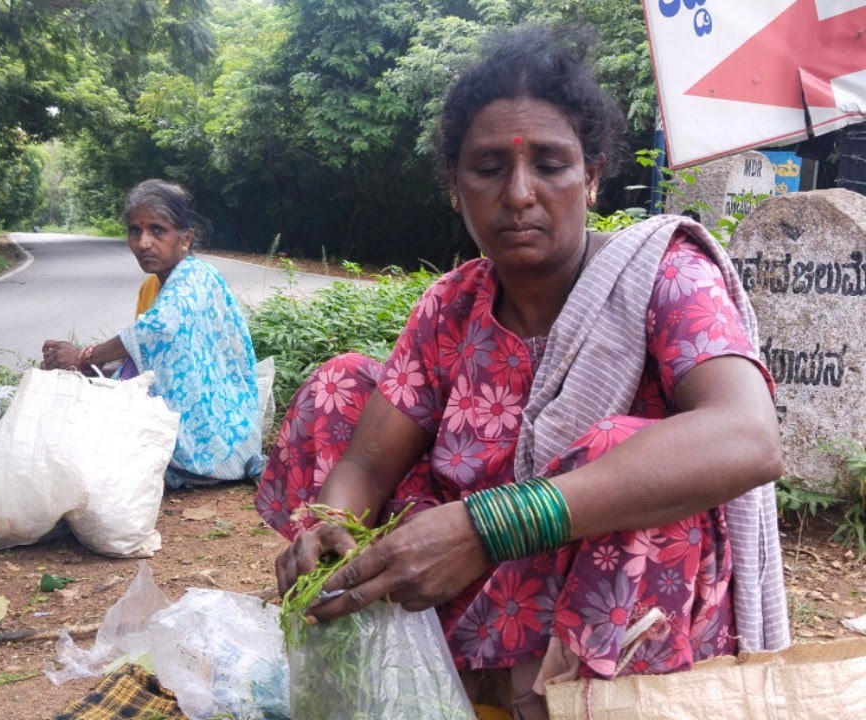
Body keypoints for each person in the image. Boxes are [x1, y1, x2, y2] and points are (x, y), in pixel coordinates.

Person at [257, 26, 788, 717]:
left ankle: (569, 701)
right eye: (487, 168)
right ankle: (434, 680)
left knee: (626, 455)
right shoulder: (453, 306)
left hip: (608, 587)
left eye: (550, 164)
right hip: (462, 584)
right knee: (344, 386)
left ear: (592, 176)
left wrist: (488, 527)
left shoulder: (664, 276)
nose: (518, 193)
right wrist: (328, 528)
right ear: (454, 187)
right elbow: (366, 460)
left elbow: (747, 436)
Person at [41, 179, 264, 488]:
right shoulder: (155, 286)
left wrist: (83, 356)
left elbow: (157, 330)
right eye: (136, 231)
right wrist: (88, 368)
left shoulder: (194, 277)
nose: (144, 242)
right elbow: (153, 360)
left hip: (214, 444)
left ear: (185, 238)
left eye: (157, 230)